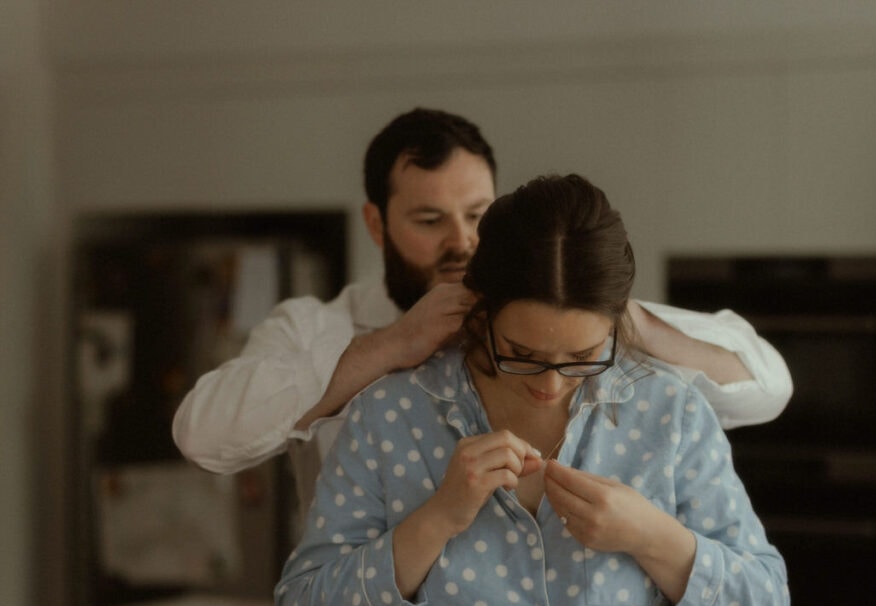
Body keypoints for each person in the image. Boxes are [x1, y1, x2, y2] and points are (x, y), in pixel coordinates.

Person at [275, 174, 790, 606]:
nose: (550, 384)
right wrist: (435, 521)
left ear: (617, 323)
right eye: (522, 354)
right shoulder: (393, 414)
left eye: (584, 356)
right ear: (481, 306)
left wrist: (652, 536)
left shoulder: (670, 413)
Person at [171, 108, 792, 507]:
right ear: (376, 223)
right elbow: (202, 436)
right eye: (428, 220)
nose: (462, 243)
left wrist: (615, 316)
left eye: (476, 214)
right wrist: (387, 347)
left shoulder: (564, 322)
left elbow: (767, 387)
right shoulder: (312, 328)